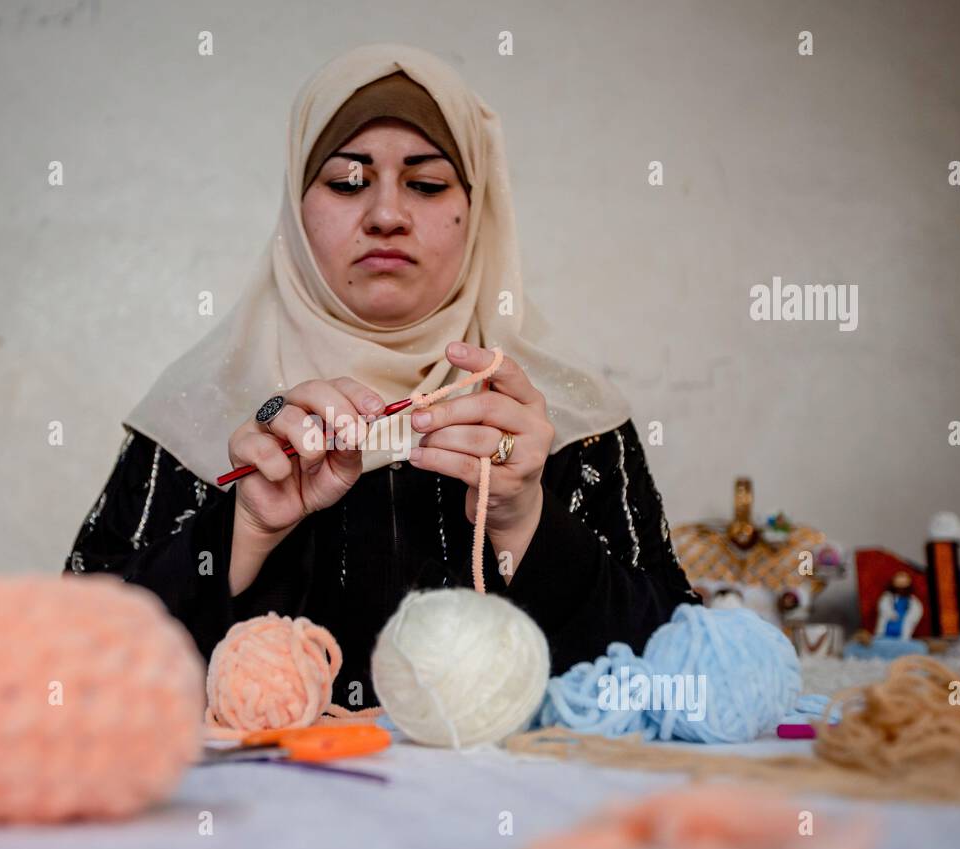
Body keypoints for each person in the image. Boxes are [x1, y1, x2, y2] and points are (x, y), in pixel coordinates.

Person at [65, 43, 699, 707]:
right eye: (346, 182)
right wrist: (241, 533)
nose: (387, 215)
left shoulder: (562, 420)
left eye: (426, 184)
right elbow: (67, 673)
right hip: (264, 813)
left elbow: (683, 673)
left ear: (476, 209)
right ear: (295, 205)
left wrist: (525, 524)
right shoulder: (201, 415)